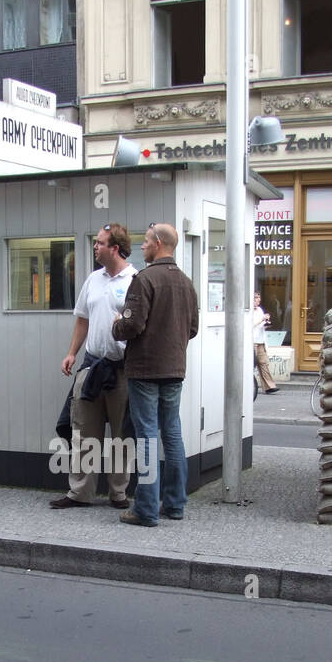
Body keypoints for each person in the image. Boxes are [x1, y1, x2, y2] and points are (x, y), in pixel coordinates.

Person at [111, 223, 199, 527]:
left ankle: (146, 509)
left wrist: (116, 323)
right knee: (172, 433)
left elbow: (132, 325)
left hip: (145, 369)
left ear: (159, 243)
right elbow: (193, 328)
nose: (143, 247)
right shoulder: (186, 283)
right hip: (174, 369)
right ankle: (175, 504)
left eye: (146, 242)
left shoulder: (144, 280)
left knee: (147, 436)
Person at [51, 223, 138, 509]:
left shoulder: (135, 280)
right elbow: (82, 319)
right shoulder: (93, 279)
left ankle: (118, 492)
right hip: (91, 365)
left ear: (115, 247)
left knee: (121, 434)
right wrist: (71, 353)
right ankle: (80, 492)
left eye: (100, 243)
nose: (95, 247)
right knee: (84, 431)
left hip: (123, 368)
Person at [250, 291, 279, 394]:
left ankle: (269, 386)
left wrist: (265, 323)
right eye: (256, 298)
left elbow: (260, 325)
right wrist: (261, 319)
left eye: (259, 298)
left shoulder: (259, 310)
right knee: (251, 364)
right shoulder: (248, 311)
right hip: (252, 341)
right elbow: (250, 326)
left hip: (261, 340)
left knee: (264, 363)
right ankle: (250, 385)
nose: (258, 300)